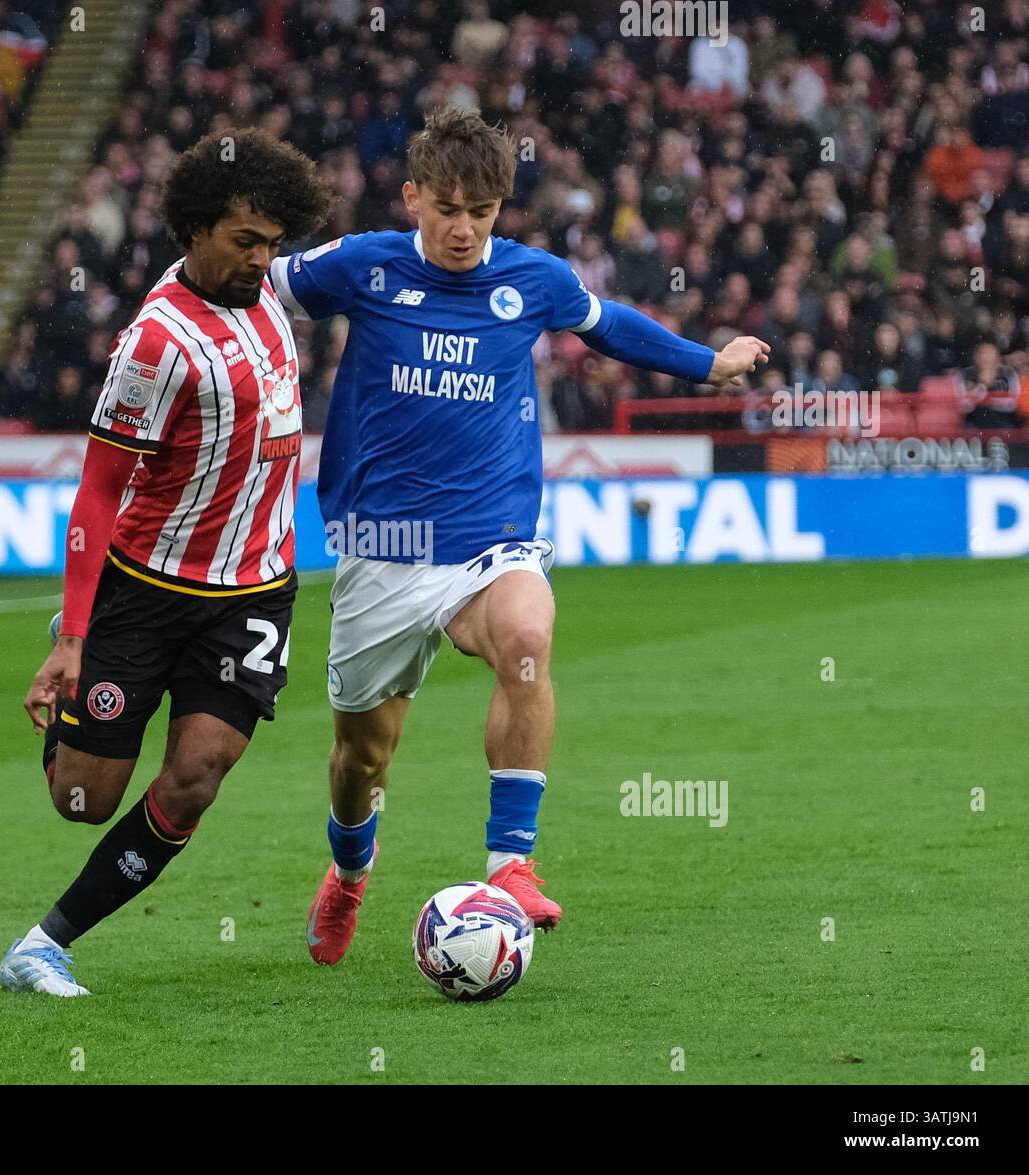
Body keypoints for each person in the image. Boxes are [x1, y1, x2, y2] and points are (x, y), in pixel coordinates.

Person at [268, 106, 768, 965]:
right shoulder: (362, 266)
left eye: (485, 213)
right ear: (413, 195)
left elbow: (608, 325)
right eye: (449, 209)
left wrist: (706, 360)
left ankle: (511, 864)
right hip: (379, 551)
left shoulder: (532, 279)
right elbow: (251, 283)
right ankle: (350, 870)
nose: (465, 230)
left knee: (529, 635)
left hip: (487, 535)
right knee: (361, 758)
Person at [0, 128, 332, 997]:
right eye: (245, 241)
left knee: (197, 775)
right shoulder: (157, 343)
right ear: (195, 229)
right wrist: (74, 636)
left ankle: (43, 944)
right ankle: (81, 704)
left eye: (272, 244)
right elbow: (99, 491)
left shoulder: (265, 303)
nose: (263, 261)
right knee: (83, 802)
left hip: (252, 591)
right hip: (145, 586)